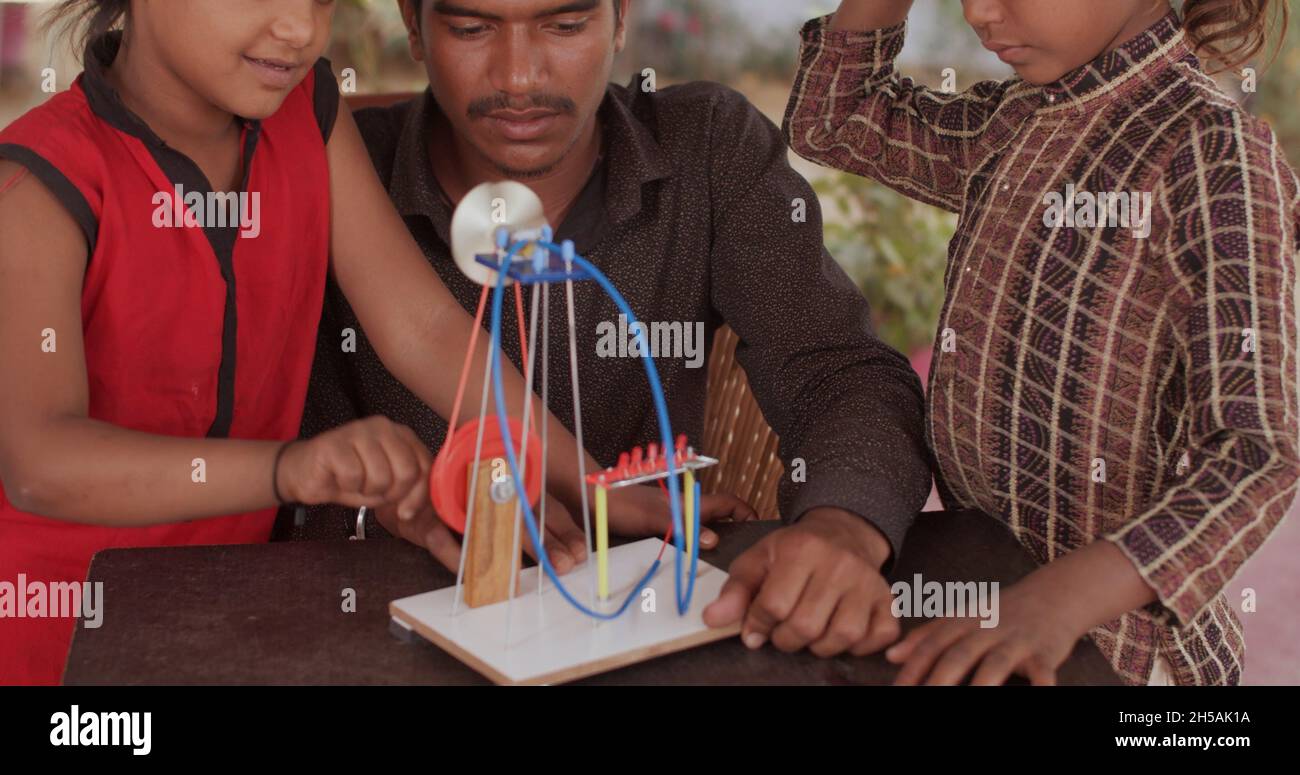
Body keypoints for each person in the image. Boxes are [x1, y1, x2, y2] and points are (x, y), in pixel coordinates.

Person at [296, 0, 935, 660]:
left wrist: (843, 525)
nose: (518, 78)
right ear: (413, 23)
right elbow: (287, 472)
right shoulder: (331, 174)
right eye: (470, 27)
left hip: (655, 634)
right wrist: (390, 511)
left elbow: (839, 368)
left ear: (621, 18)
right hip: (372, 639)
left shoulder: (707, 149)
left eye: (566, 25)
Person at [0, 0, 612, 684]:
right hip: (55, 649)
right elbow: (39, 462)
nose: (300, 29)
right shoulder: (34, 183)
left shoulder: (305, 109)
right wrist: (289, 468)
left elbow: (421, 327)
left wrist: (592, 483)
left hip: (230, 627)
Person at [785, 0, 1297, 685]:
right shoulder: (1015, 120)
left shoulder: (1212, 154)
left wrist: (1059, 601)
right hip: (989, 600)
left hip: (1123, 658)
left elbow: (1259, 447)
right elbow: (835, 120)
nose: (978, 12)